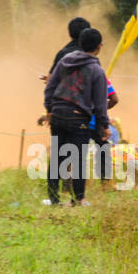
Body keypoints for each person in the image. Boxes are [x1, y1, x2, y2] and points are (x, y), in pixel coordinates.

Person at [43, 26, 109, 206]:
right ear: (99, 47)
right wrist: (104, 126)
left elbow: (50, 86)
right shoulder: (97, 71)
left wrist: (49, 109)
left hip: (57, 113)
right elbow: (101, 102)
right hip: (79, 118)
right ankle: (78, 199)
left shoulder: (64, 61)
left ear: (80, 44)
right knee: (78, 158)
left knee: (57, 156)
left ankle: (54, 199)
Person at [40, 16, 90, 82]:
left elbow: (51, 80)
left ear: (69, 33)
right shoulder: (91, 52)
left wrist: (49, 80)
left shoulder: (63, 53)